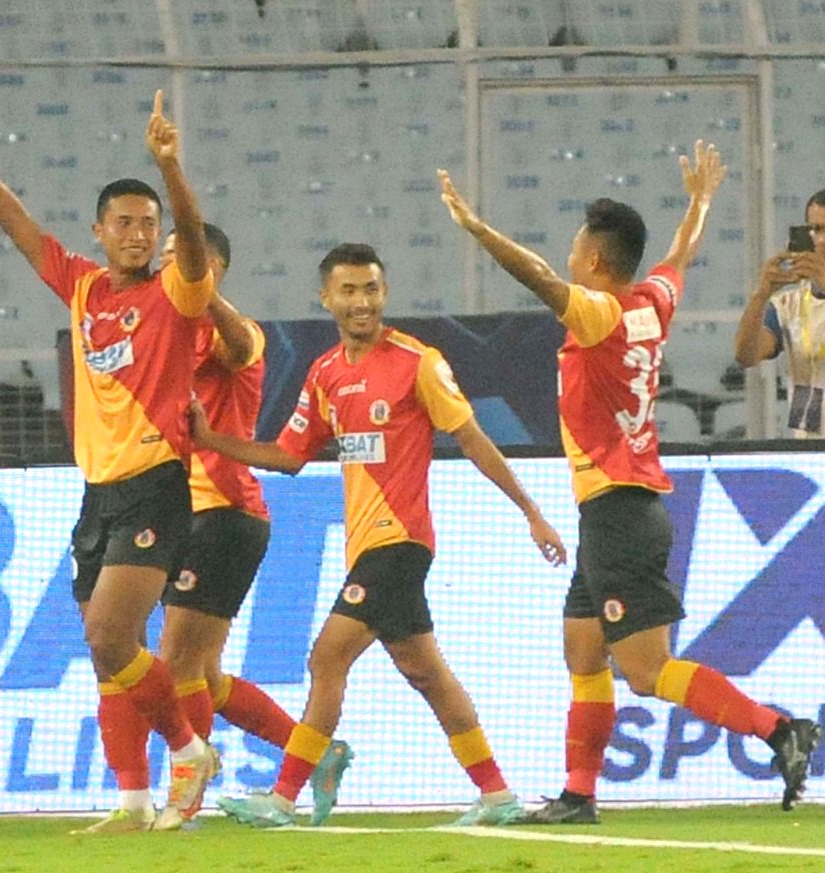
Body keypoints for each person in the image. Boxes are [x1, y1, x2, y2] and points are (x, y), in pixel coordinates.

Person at [438, 140, 822, 823]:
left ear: (594, 260)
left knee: (645, 673)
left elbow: (537, 280)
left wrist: (477, 229)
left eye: (575, 246)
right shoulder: (653, 299)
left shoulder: (602, 314)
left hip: (619, 511)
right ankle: (579, 794)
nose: (567, 254)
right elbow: (683, 253)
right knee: (583, 649)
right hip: (613, 512)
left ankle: (777, 729)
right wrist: (700, 199)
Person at [193, 242, 568, 828]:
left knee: (326, 657)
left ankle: (284, 798)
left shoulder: (417, 362)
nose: (361, 301)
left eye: (370, 289)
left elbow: (471, 438)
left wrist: (531, 512)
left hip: (401, 542)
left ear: (384, 293)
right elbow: (289, 456)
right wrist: (211, 440)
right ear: (326, 298)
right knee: (427, 674)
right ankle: (497, 795)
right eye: (348, 290)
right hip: (366, 547)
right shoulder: (324, 374)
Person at [0, 78, 219, 834]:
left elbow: (192, 236)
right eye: (123, 222)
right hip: (98, 491)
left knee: (106, 636)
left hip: (156, 482)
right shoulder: (84, 287)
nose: (137, 233)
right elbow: (16, 223)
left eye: (146, 223)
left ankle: (188, 751)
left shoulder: (179, 294)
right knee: (106, 656)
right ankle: (133, 799)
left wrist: (171, 170)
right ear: (99, 231)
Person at [155, 225, 353, 828]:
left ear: (207, 266)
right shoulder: (170, 336)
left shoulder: (231, 333)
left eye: (176, 258)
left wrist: (199, 287)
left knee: (175, 664)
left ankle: (185, 795)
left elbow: (241, 345)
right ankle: (316, 753)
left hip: (223, 511)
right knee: (205, 676)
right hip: (191, 513)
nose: (164, 267)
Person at [734, 189, 825, 436]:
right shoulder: (788, 304)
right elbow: (746, 355)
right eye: (815, 229)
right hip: (812, 451)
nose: (820, 241)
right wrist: (760, 295)